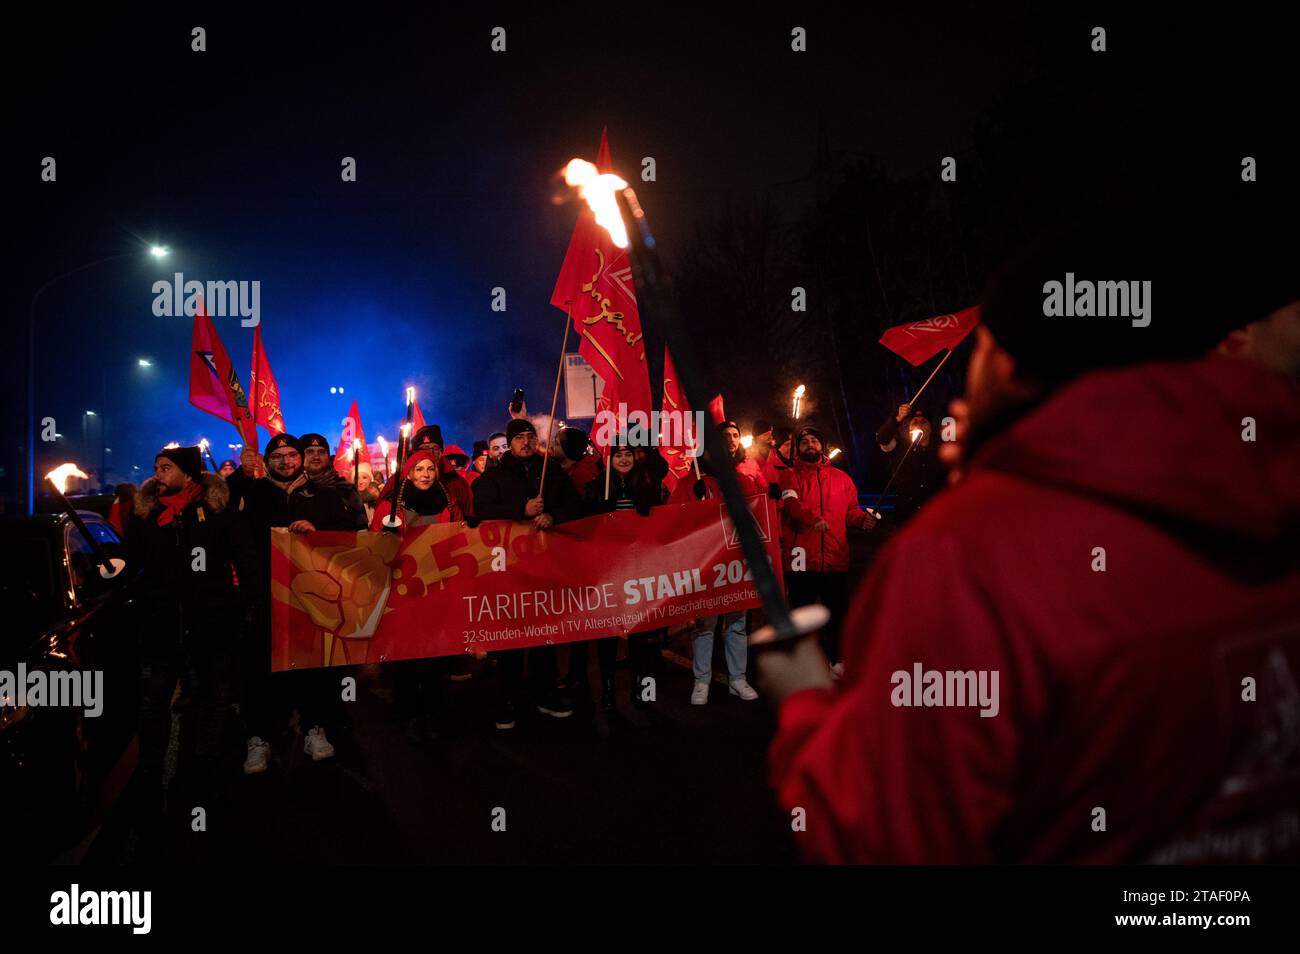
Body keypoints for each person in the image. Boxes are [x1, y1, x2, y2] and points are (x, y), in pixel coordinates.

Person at [758, 213, 1300, 863]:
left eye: (984, 347)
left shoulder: (966, 562)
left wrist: (805, 700)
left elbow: (881, 836)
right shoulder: (1272, 484)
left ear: (1008, 367)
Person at [125, 446, 260, 822]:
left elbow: (246, 558)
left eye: (166, 468)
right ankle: (150, 771)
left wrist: (245, 603)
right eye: (155, 468)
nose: (158, 475)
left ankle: (204, 763)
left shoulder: (217, 512)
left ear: (188, 474)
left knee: (213, 697)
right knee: (154, 702)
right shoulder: (146, 515)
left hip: (212, 624)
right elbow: (131, 563)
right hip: (162, 626)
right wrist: (113, 572)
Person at [226, 434, 350, 770]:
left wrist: (317, 530)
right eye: (277, 456)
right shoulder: (252, 493)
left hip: (311, 596)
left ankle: (314, 727)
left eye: (291, 455)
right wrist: (240, 474)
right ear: (267, 461)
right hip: (264, 595)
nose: (285, 462)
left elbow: (346, 536)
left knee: (311, 667)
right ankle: (260, 736)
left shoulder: (322, 494)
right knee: (262, 669)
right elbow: (224, 513)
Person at [472, 418, 584, 728]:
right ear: (510, 443)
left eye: (530, 435)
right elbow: (482, 509)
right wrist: (520, 511)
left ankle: (544, 693)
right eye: (519, 437)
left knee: (543, 636)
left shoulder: (550, 471)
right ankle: (507, 699)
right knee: (511, 638)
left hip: (545, 567)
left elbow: (575, 505)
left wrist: (553, 515)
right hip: (509, 569)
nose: (526, 441)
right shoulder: (494, 474)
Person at [371, 449, 468, 742]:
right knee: (408, 654)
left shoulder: (447, 505)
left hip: (437, 588)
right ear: (409, 474)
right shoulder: (391, 507)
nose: (425, 474)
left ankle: (433, 709)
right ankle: (409, 709)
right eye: (419, 469)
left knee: (435, 653)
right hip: (403, 590)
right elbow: (376, 545)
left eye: (430, 469)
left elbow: (460, 538)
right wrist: (385, 536)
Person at [669, 420, 762, 705]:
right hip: (705, 565)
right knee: (705, 624)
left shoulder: (744, 482)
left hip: (735, 564)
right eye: (724, 438)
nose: (730, 443)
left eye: (734, 438)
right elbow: (673, 521)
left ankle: (737, 678)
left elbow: (757, 521)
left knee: (737, 623)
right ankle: (702, 680)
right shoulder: (690, 482)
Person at [778, 424, 877, 671]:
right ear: (798, 449)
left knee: (837, 613)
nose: (810, 445)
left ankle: (838, 660)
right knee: (803, 615)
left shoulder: (842, 479)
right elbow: (791, 505)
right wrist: (813, 519)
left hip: (835, 556)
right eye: (804, 442)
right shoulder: (790, 475)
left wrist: (863, 518)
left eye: (814, 441)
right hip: (802, 557)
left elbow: (851, 511)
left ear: (822, 446)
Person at [576, 439, 666, 710]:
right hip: (609, 572)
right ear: (609, 460)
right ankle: (607, 688)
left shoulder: (648, 486)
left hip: (639, 571)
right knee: (608, 634)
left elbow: (664, 522)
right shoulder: (595, 489)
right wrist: (596, 511)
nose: (624, 459)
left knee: (640, 634)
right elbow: (582, 527)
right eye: (618, 455)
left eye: (628, 454)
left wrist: (651, 507)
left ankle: (642, 688)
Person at [874, 404, 944, 525]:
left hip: (935, 515)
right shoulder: (899, 447)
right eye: (915, 422)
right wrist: (897, 419)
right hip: (907, 516)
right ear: (909, 427)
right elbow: (882, 439)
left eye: (924, 422)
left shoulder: (941, 450)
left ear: (931, 428)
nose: (919, 424)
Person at [299, 433, 367, 530]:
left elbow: (361, 530)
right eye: (309, 452)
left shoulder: (345, 489)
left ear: (328, 456)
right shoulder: (295, 490)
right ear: (300, 456)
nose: (316, 456)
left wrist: (317, 529)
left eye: (321, 452)